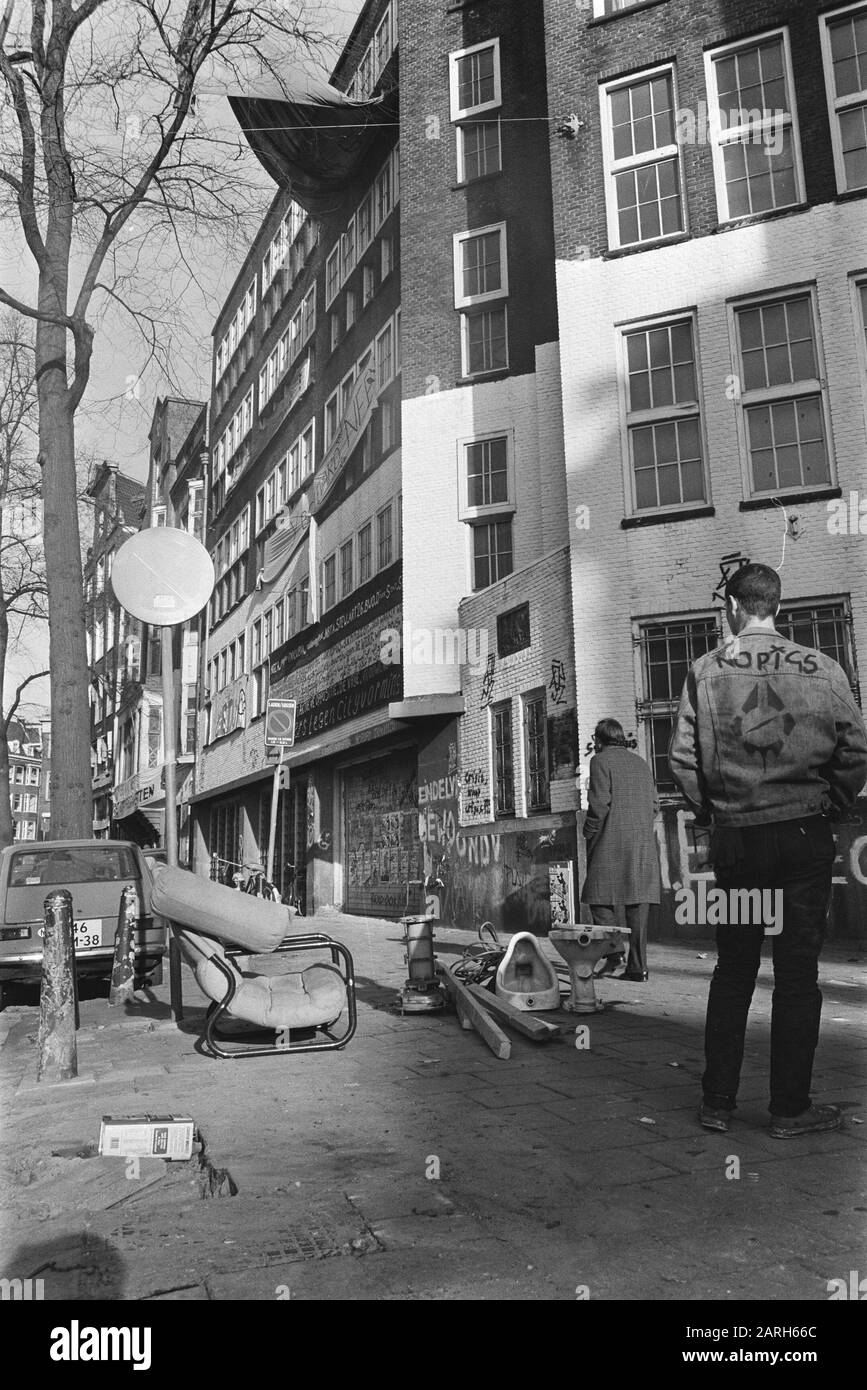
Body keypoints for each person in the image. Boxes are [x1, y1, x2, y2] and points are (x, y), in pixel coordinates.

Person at [668, 562, 867, 1138]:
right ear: (775, 607)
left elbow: (682, 760)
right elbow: (855, 752)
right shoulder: (823, 667)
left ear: (733, 607)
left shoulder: (705, 671)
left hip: (738, 844)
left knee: (734, 969)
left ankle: (718, 1103)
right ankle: (788, 1109)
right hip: (804, 836)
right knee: (798, 974)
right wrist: (831, 800)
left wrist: (716, 811)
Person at [581, 718, 661, 982]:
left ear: (600, 740)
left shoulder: (600, 761)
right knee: (637, 904)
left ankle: (614, 952)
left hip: (610, 839)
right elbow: (654, 805)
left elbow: (600, 804)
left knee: (598, 897)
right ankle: (639, 968)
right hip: (641, 843)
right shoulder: (641, 763)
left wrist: (589, 832)